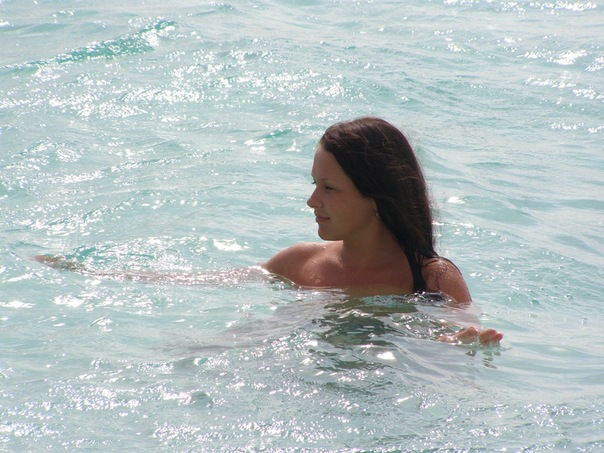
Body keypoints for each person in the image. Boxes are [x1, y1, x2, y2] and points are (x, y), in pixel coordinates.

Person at [34, 117, 503, 345]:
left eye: (329, 188)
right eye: (313, 184)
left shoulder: (432, 278)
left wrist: (457, 349)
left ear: (376, 197)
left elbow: (457, 334)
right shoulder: (300, 264)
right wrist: (94, 275)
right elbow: (202, 281)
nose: (312, 201)